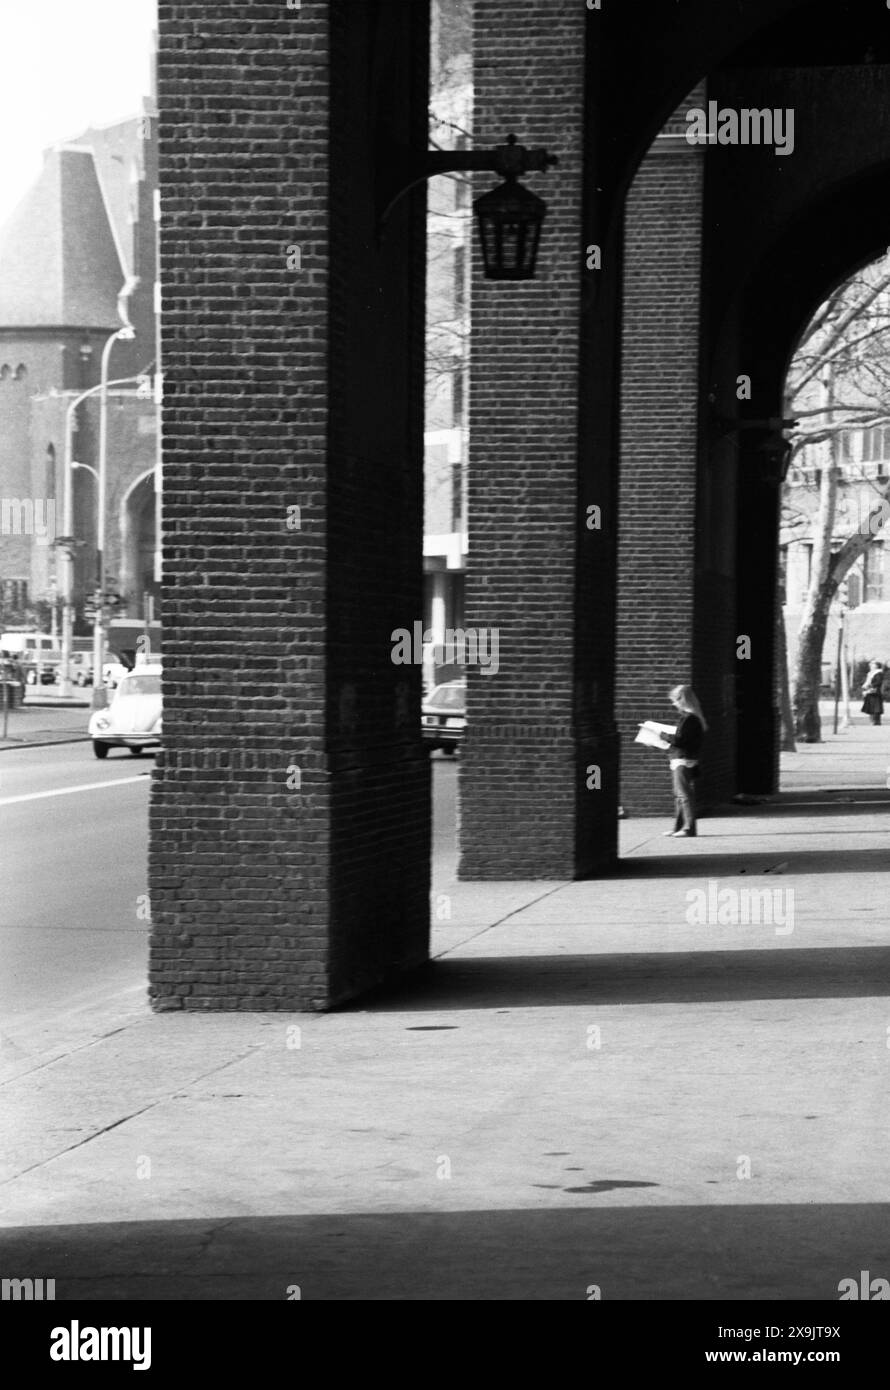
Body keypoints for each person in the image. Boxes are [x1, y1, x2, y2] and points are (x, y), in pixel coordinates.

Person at [662, 684, 708, 838]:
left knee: (683, 795)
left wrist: (663, 736)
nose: (674, 704)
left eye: (675, 700)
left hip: (683, 760)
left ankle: (689, 828)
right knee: (680, 795)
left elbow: (680, 740)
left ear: (682, 700)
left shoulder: (689, 719)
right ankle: (679, 827)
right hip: (682, 759)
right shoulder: (692, 718)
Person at [861, 660, 885, 726]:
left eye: (872, 664)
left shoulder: (878, 673)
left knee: (876, 708)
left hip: (875, 692)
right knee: (871, 707)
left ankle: (876, 721)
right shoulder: (870, 673)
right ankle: (872, 721)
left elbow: (878, 682)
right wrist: (865, 686)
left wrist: (870, 686)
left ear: (876, 665)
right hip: (869, 691)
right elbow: (868, 682)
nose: (870, 665)